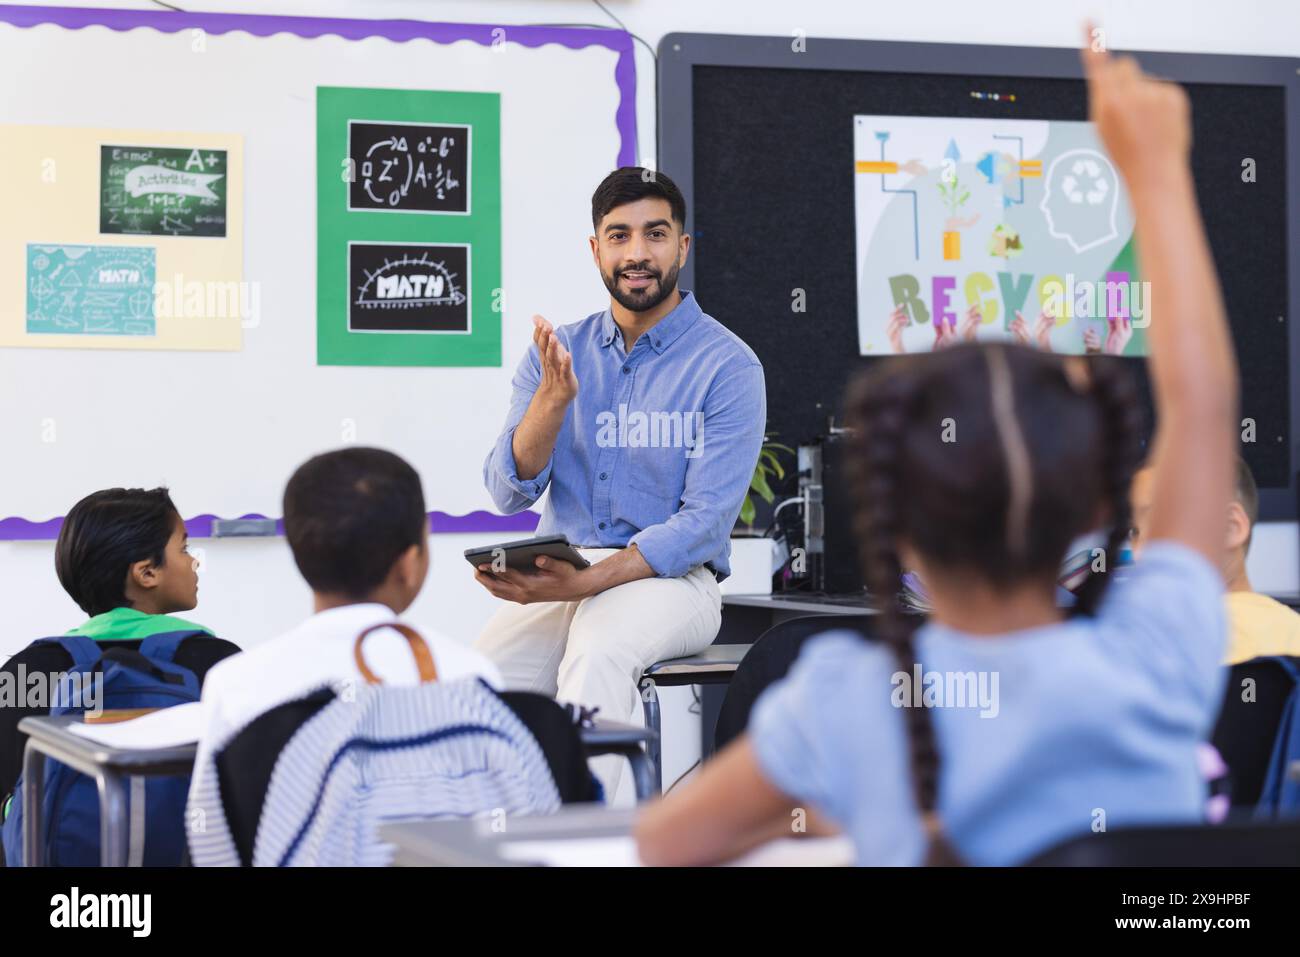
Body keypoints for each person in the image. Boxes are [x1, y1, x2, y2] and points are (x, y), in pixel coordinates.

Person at [636, 26, 1238, 865]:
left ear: (898, 526)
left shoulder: (843, 699)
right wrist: (1157, 173)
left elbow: (663, 846)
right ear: (1099, 514)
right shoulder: (1155, 657)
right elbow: (1204, 407)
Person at [474, 167, 766, 798]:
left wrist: (592, 580)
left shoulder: (729, 366)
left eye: (655, 234)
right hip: (567, 572)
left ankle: (599, 845)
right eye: (619, 236)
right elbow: (507, 492)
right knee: (479, 687)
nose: (637, 253)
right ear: (596, 249)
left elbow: (703, 525)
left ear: (683, 247)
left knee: (598, 655)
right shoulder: (558, 351)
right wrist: (551, 405)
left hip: (673, 582)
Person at [189, 447, 502, 796]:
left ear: (298, 553)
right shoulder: (469, 675)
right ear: (410, 564)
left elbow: (210, 834)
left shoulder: (235, 685)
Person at [0, 487, 239, 839]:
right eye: (184, 549)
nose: (194, 560)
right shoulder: (219, 664)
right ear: (147, 573)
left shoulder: (26, 671)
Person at [1132, 456, 1300, 664]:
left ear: (1230, 528)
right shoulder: (1291, 628)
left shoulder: (1181, 643)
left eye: (1162, 525)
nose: (1138, 554)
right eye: (1134, 533)